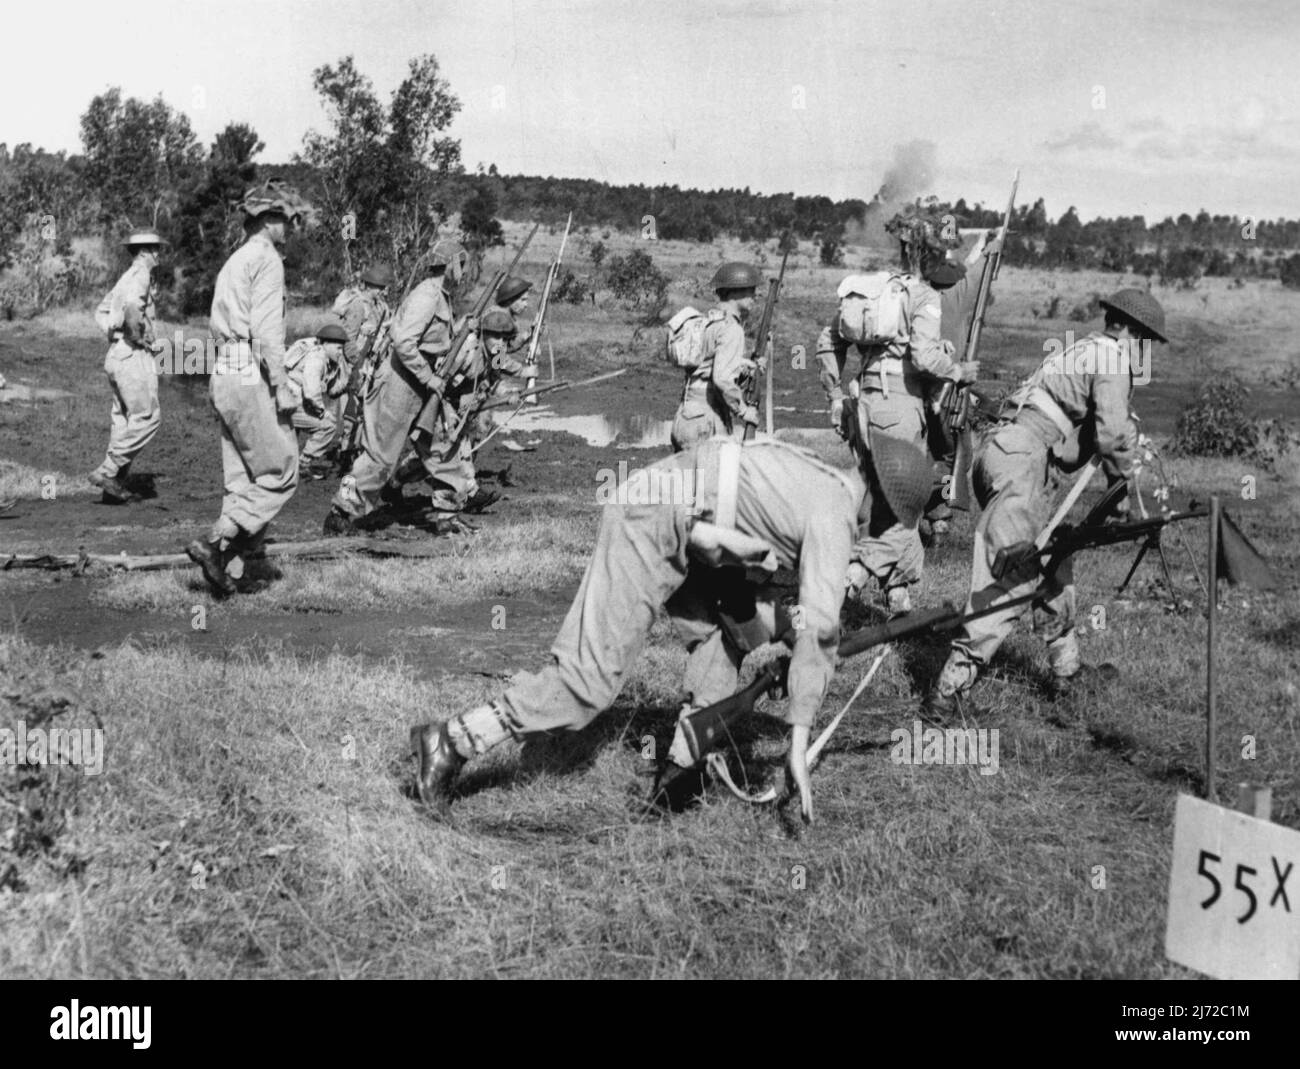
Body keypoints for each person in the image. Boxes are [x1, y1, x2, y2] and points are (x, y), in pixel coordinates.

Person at [412, 435, 880, 823]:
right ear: (879, 501)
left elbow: (772, 593)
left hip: (687, 521)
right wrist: (799, 744)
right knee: (586, 685)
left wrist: (780, 630)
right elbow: (821, 631)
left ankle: (680, 775)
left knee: (731, 632)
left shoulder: (822, 477)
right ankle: (453, 739)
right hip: (657, 516)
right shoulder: (835, 511)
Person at [925, 288, 1169, 718]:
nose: (1146, 352)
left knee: (1053, 558)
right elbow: (1112, 436)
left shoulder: (1080, 351)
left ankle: (1067, 669)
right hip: (1022, 460)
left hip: (1005, 454)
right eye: (1145, 341)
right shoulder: (1112, 359)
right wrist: (1122, 494)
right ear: (1130, 331)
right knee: (1014, 576)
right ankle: (947, 692)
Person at [817, 208, 980, 615]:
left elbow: (827, 340)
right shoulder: (922, 296)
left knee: (881, 500)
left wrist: (836, 395)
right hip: (901, 409)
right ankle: (851, 578)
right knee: (906, 501)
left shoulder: (875, 291)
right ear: (928, 255)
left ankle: (899, 594)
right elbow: (924, 358)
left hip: (863, 408)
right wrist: (958, 370)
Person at [186, 181, 312, 596]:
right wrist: (282, 385)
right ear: (268, 219)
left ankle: (226, 566)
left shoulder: (236, 259)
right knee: (281, 469)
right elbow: (266, 333)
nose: (289, 227)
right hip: (248, 365)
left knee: (241, 478)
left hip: (223, 367)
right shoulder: (268, 260)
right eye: (285, 219)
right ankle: (214, 539)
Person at [326, 244, 463, 531]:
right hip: (401, 381)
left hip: (421, 380)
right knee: (380, 456)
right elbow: (404, 343)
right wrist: (429, 378)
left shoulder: (441, 296)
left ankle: (447, 516)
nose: (464, 269)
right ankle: (340, 512)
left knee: (442, 444)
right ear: (450, 266)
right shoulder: (427, 296)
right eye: (461, 262)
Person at [921, 227, 1003, 541]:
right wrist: (993, 246)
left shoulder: (920, 296)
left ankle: (934, 514)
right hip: (948, 388)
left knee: (931, 451)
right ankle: (930, 510)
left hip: (922, 386)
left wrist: (982, 245)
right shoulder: (956, 297)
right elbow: (979, 273)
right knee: (957, 457)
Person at [89, 231, 166, 503]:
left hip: (117, 354)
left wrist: (114, 333)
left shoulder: (125, 277)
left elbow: (101, 311)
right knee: (147, 417)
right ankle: (109, 471)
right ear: (143, 251)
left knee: (123, 422)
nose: (158, 254)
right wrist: (136, 336)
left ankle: (113, 487)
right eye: (155, 249)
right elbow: (134, 307)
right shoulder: (141, 274)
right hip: (132, 354)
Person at [669, 262, 762, 451]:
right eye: (751, 290)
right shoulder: (731, 329)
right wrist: (744, 411)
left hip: (686, 415)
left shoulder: (708, 322)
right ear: (735, 292)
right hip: (708, 418)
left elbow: (708, 363)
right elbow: (722, 379)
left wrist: (743, 364)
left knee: (690, 480)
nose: (755, 296)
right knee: (713, 480)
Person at [333, 263, 394, 466]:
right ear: (368, 286)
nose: (382, 291)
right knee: (350, 410)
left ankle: (358, 447)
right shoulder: (358, 305)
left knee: (364, 409)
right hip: (355, 363)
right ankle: (345, 450)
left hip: (372, 362)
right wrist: (355, 365)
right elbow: (348, 338)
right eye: (379, 287)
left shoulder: (382, 307)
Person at [286, 324, 350, 478]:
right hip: (288, 401)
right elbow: (312, 392)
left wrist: (347, 379)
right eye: (338, 348)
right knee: (327, 425)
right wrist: (321, 412)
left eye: (342, 349)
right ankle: (304, 463)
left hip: (292, 401)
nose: (341, 352)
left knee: (290, 436)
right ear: (325, 344)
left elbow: (332, 391)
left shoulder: (331, 360)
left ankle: (288, 468)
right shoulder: (317, 357)